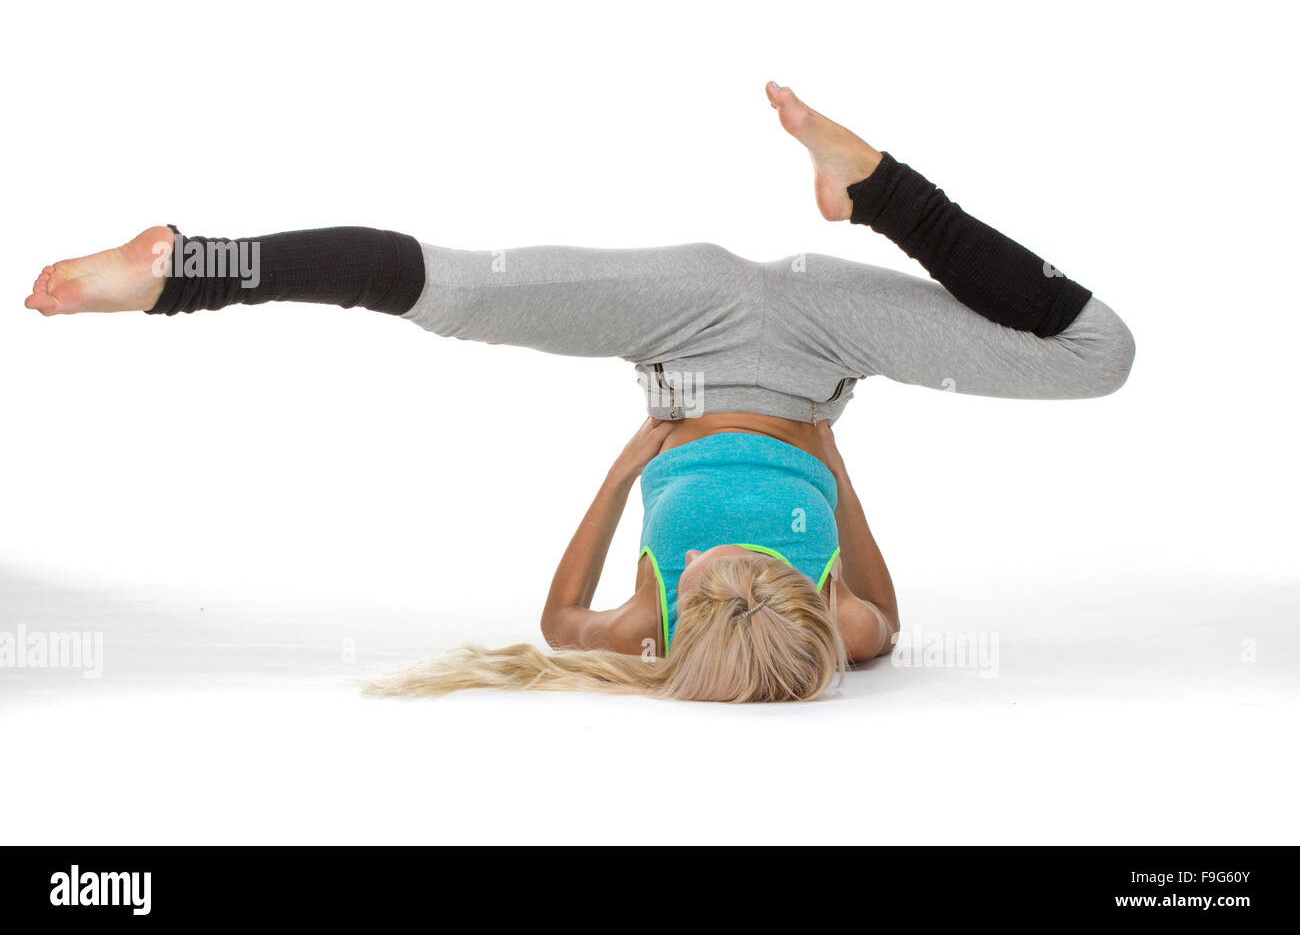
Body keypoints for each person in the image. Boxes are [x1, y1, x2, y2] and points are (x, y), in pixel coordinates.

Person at [24, 82, 1135, 702]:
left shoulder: (684, 631)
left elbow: (562, 620)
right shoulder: (806, 636)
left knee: (447, 290)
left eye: (697, 578)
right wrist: (808, 471)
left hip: (725, 335)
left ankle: (185, 267)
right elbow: (879, 615)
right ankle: (873, 186)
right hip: (755, 344)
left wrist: (648, 471)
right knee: (1097, 355)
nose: (702, 565)